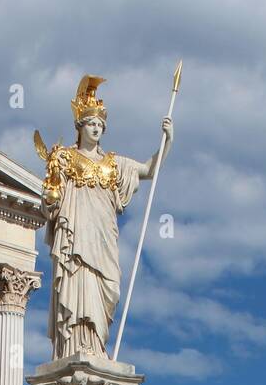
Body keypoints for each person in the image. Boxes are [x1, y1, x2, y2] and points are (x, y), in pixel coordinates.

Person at [36, 76, 173, 359]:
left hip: (102, 236)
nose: (96, 128)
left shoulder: (114, 164)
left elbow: (148, 170)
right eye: (91, 124)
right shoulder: (65, 159)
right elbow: (51, 199)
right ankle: (74, 345)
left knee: (107, 284)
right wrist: (49, 202)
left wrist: (167, 141)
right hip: (75, 234)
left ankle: (96, 345)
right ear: (80, 127)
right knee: (78, 279)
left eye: (100, 125)